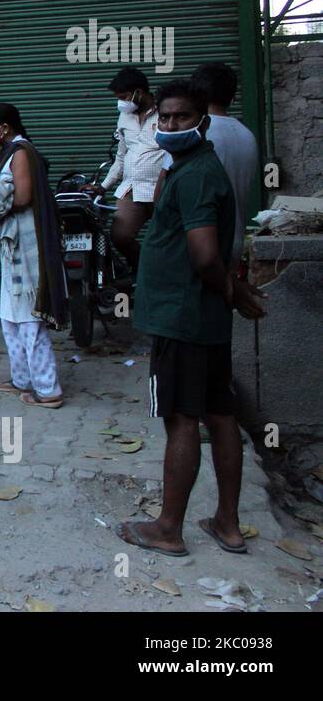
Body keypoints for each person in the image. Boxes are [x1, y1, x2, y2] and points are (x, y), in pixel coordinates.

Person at [116, 79, 267, 558]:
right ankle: (227, 523)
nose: (170, 125)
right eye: (163, 117)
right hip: (201, 317)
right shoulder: (186, 167)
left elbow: (203, 253)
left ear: (203, 121)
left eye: (181, 117)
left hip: (182, 316)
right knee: (219, 415)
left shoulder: (198, 173)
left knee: (182, 418)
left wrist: (232, 288)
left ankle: (168, 528)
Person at [0, 103, 68, 408]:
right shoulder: (11, 151)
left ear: (4, 127)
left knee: (30, 317)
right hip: (12, 243)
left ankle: (47, 389)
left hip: (24, 245)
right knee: (10, 315)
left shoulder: (20, 152)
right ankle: (22, 379)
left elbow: (23, 196)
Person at [88, 66, 163, 277]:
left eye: (124, 96)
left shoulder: (165, 113)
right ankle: (144, 271)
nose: (121, 102)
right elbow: (121, 157)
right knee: (120, 235)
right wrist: (103, 187)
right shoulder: (124, 117)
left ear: (140, 92)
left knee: (167, 239)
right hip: (132, 187)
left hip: (162, 188)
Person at [190, 63, 258, 265]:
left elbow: (164, 192)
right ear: (231, 96)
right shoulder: (246, 135)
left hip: (200, 246)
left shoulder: (196, 133)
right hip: (232, 245)